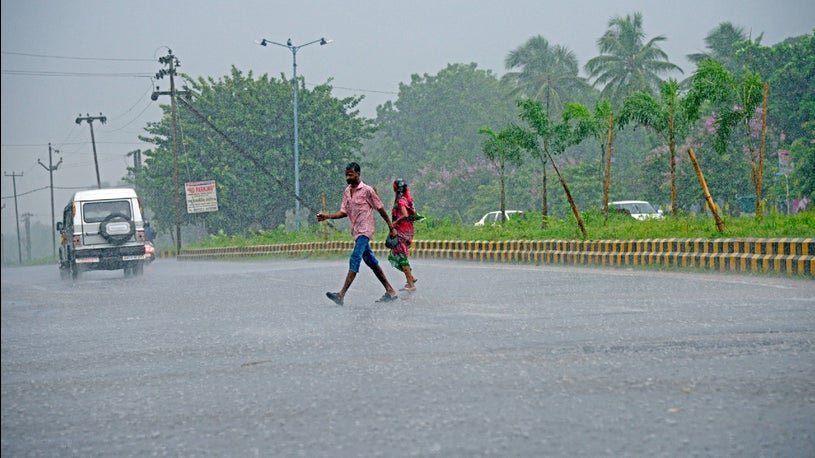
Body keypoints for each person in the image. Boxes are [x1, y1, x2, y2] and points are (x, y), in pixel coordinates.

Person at [316, 162, 399, 306]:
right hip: (356, 231)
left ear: (358, 174)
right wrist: (327, 216)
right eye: (346, 175)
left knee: (355, 258)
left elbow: (380, 209)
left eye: (351, 174)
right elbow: (344, 212)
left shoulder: (367, 191)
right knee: (371, 261)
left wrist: (391, 227)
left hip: (365, 231)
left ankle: (341, 295)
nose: (348, 177)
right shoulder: (347, 192)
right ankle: (390, 290)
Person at [388, 178, 418, 292]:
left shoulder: (401, 201)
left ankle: (411, 283)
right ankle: (410, 278)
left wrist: (395, 222)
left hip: (401, 232)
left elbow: (405, 215)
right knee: (398, 254)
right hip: (408, 231)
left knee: (400, 256)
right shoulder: (407, 200)